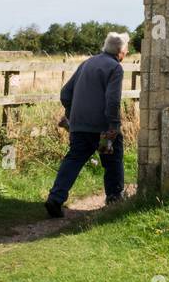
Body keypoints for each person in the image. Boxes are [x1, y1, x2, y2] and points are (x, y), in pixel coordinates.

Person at [44, 31, 128, 218]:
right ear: (120, 50)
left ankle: (55, 198)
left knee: (73, 159)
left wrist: (72, 115)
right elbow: (113, 100)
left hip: (79, 126)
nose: (127, 52)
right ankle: (114, 200)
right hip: (103, 129)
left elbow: (66, 93)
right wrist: (113, 126)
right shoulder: (115, 68)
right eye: (127, 49)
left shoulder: (88, 62)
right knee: (112, 160)